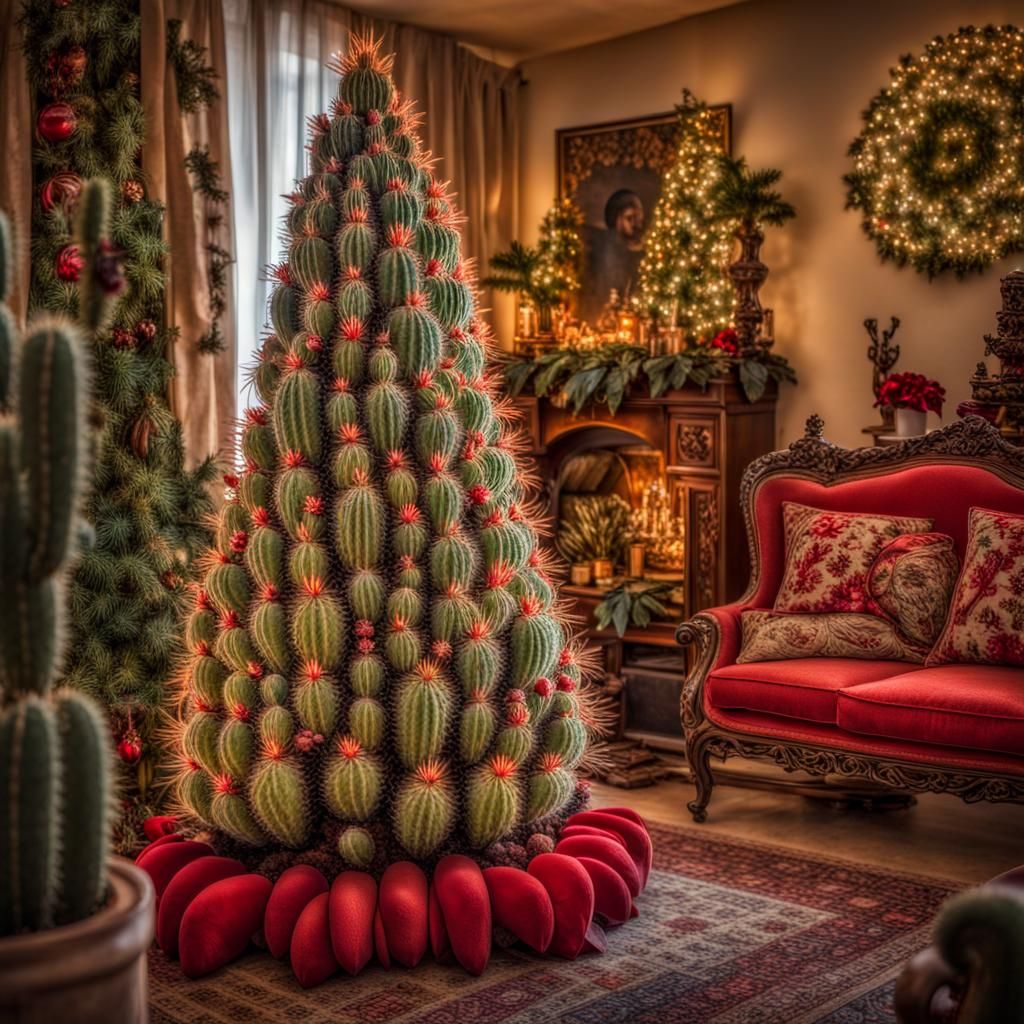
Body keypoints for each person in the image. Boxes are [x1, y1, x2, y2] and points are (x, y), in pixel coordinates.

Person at [580, 189, 646, 323]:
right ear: (617, 220)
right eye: (629, 218)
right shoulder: (604, 243)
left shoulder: (644, 249)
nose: (636, 224)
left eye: (638, 218)